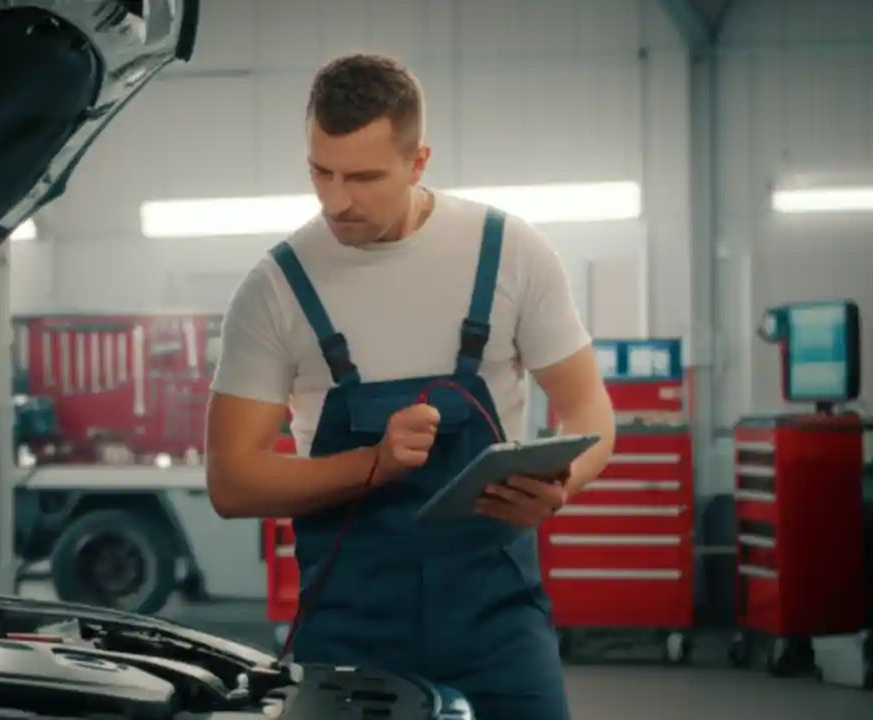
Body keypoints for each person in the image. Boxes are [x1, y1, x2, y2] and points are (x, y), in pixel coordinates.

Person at [204, 53, 616, 719]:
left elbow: (588, 408)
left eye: (364, 177)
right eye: (320, 171)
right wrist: (374, 464)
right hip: (350, 622)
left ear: (418, 162)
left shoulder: (509, 252)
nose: (337, 199)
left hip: (497, 619)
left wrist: (565, 482)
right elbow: (232, 481)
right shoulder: (275, 289)